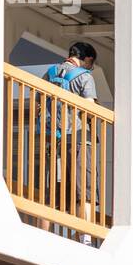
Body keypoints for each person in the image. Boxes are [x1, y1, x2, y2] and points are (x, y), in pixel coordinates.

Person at [37, 42, 100, 245]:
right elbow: (90, 107)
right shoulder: (84, 76)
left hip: (54, 138)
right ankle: (86, 237)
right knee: (85, 189)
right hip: (79, 139)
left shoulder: (51, 72)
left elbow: (39, 100)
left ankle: (44, 236)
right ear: (87, 58)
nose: (91, 67)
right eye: (91, 63)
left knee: (52, 190)